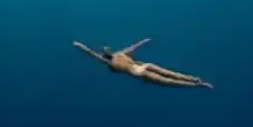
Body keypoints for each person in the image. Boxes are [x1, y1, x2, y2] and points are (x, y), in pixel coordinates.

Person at [73, 38, 212, 89]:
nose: (107, 51)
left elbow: (134, 47)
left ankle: (195, 80)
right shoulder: (109, 61)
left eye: (107, 49)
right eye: (105, 51)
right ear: (105, 55)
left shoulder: (120, 53)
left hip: (144, 66)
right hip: (141, 72)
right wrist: (80, 45)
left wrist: (143, 41)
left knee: (170, 74)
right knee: (169, 80)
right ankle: (197, 84)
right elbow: (91, 53)